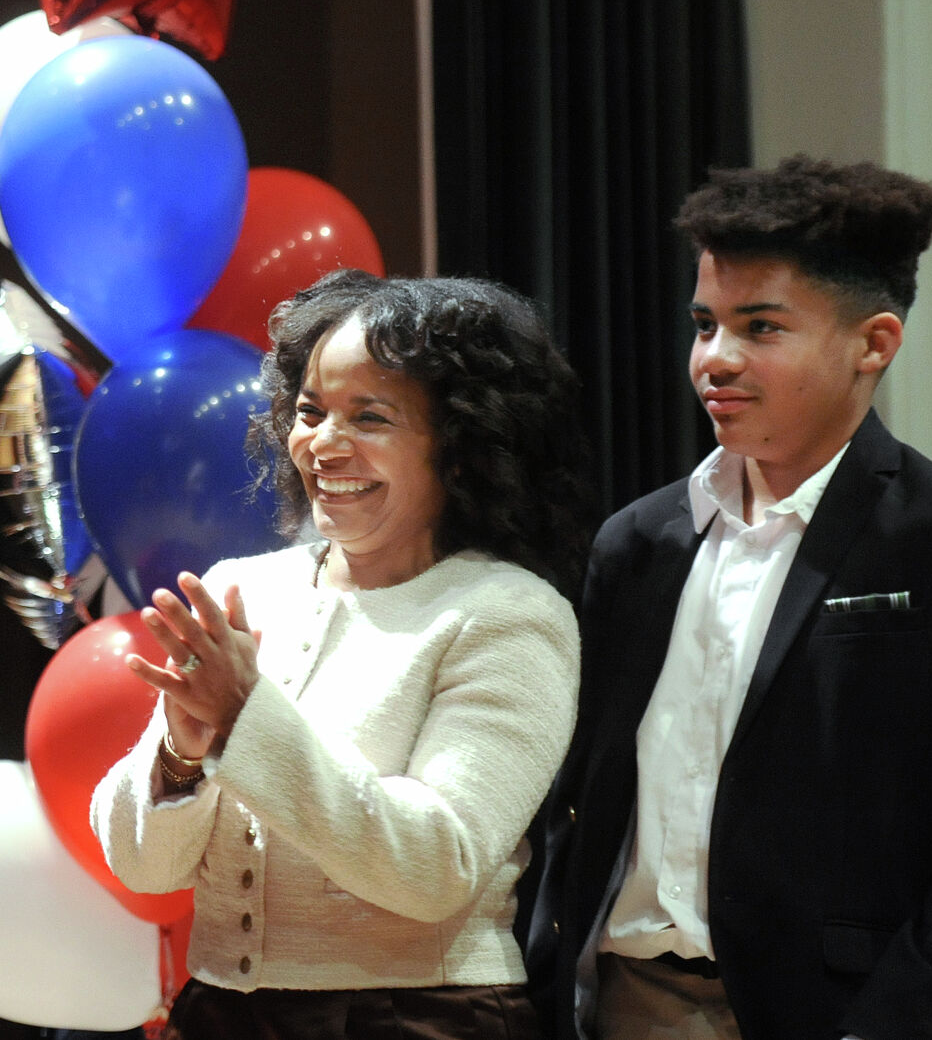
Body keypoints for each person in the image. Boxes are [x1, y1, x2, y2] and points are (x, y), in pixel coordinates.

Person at [525, 158, 932, 1039]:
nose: (715, 360)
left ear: (874, 343)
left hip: (845, 1012)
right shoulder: (636, 542)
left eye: (760, 327)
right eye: (704, 325)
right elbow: (582, 798)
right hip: (629, 1002)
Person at [91, 269, 591, 1039]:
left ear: (461, 445)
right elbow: (144, 870)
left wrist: (244, 716)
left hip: (422, 1020)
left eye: (370, 417)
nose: (323, 444)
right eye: (310, 410)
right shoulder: (240, 588)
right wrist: (180, 759)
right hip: (220, 1012)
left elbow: (438, 868)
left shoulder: (508, 613)